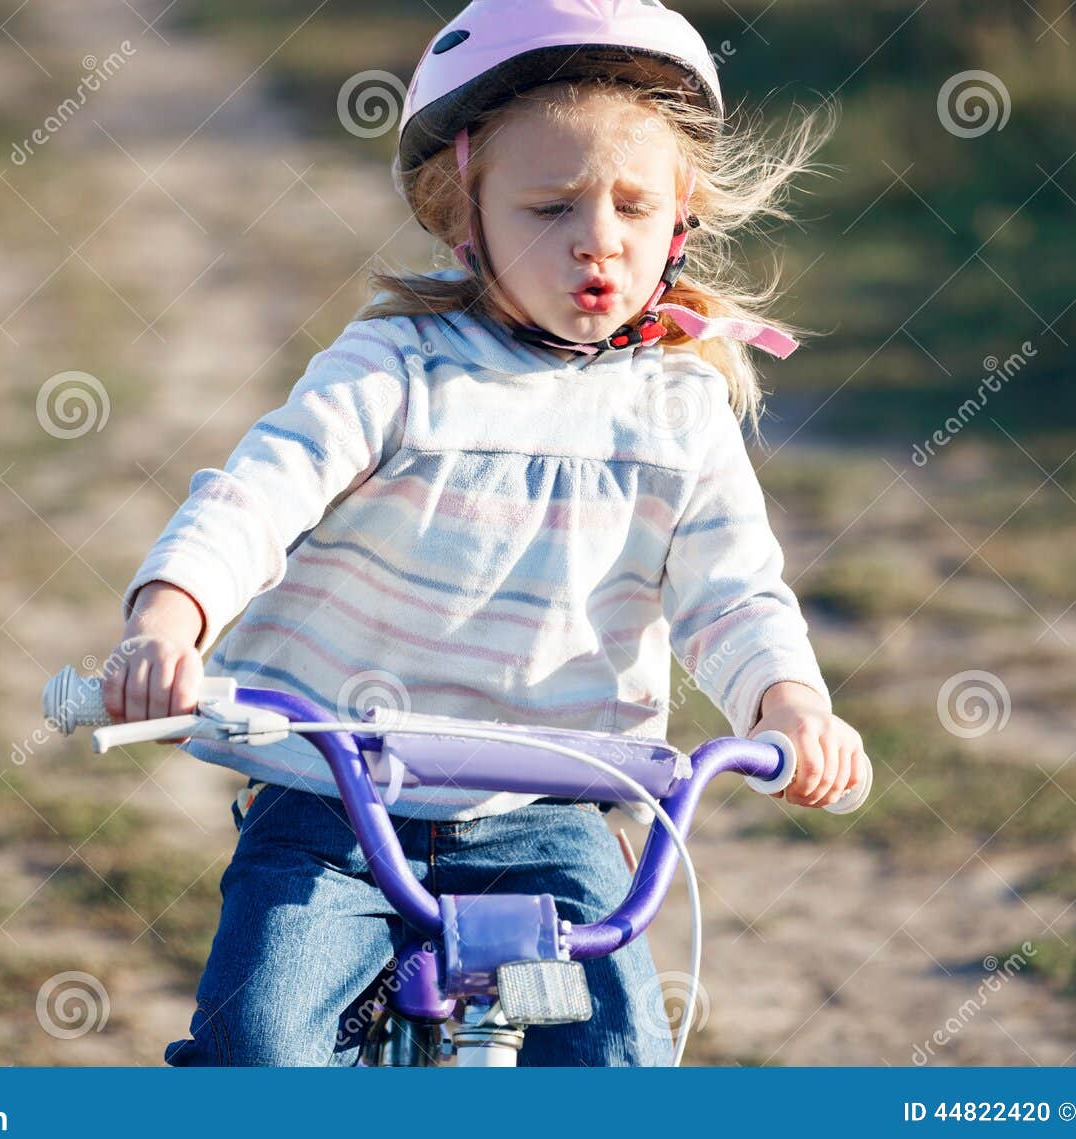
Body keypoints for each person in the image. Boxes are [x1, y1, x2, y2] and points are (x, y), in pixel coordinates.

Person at [103, 0, 866, 1066]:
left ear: (679, 218)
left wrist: (792, 707)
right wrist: (168, 617)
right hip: (338, 798)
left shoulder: (679, 412)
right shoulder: (395, 368)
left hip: (548, 807)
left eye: (633, 207)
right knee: (262, 1041)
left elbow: (731, 590)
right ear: (463, 212)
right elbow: (260, 489)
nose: (598, 239)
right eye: (551, 206)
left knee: (616, 1054)